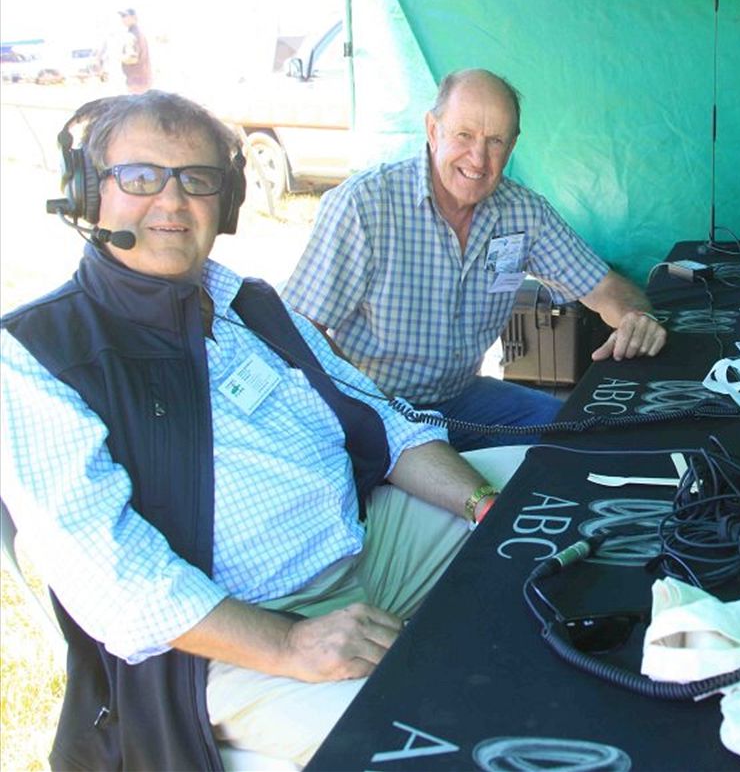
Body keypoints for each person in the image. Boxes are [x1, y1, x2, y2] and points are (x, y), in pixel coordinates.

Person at [0, 92, 502, 769]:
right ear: (90, 192)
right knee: (447, 739)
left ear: (227, 200)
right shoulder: (38, 352)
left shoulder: (248, 303)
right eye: (141, 177)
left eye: (198, 179)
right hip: (222, 642)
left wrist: (481, 504)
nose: (172, 203)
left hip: (363, 550)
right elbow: (115, 582)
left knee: (536, 507)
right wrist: (289, 646)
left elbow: (379, 417)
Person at [283, 68, 667, 450]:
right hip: (373, 408)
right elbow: (297, 332)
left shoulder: (523, 213)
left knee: (583, 435)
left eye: (495, 140)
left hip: (463, 398)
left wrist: (638, 318)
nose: (479, 159)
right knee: (462, 494)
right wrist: (370, 410)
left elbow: (602, 286)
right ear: (433, 131)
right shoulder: (365, 205)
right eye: (464, 135)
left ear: (512, 146)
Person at [117, 7, 151, 93]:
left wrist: (118, 58)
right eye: (121, 16)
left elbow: (132, 58)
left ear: (134, 17)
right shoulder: (140, 33)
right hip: (144, 81)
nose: (122, 19)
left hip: (135, 83)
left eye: (125, 16)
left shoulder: (131, 35)